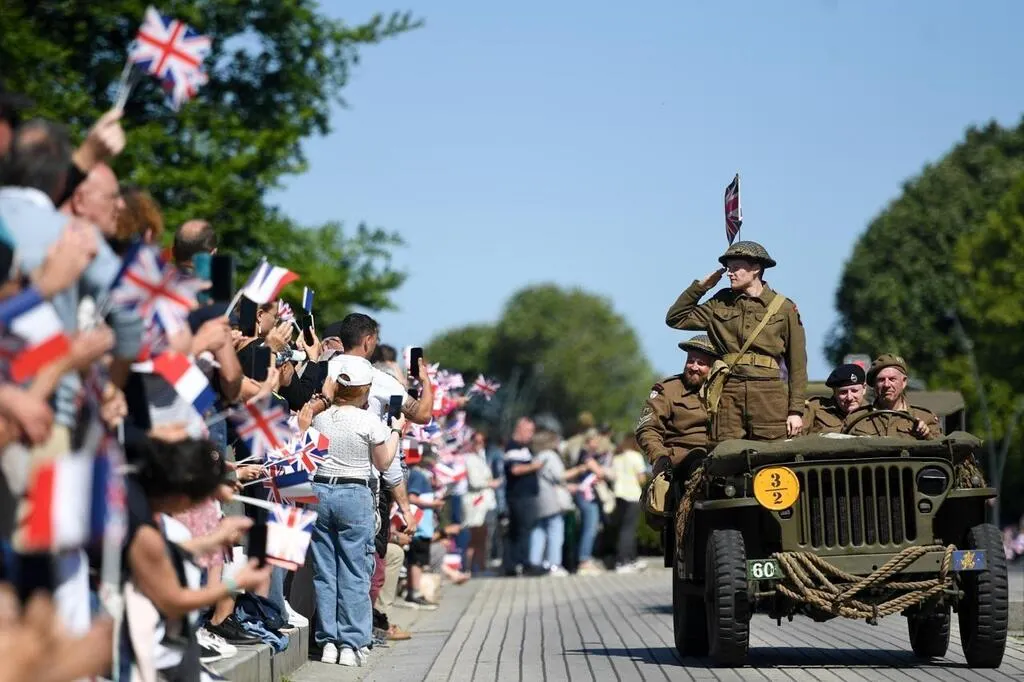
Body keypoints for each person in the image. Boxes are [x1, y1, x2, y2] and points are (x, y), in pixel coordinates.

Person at [309, 354, 405, 666]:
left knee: (326, 570)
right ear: (365, 390)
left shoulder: (321, 417)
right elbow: (383, 462)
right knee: (354, 569)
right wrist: (396, 431)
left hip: (320, 490)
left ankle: (328, 642)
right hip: (355, 492)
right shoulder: (370, 422)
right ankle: (351, 643)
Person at [664, 240, 807, 444]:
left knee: (771, 456)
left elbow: (798, 365)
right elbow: (676, 318)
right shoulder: (720, 301)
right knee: (725, 455)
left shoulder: (784, 308)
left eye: (736, 267)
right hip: (729, 390)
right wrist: (700, 288)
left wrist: (795, 410)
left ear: (756, 269)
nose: (730, 273)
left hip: (769, 393)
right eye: (728, 268)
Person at [636, 334, 718, 477]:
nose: (694, 367)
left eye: (701, 363)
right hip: (678, 466)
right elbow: (647, 429)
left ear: (713, 366)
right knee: (661, 490)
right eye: (690, 361)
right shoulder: (667, 390)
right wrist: (660, 458)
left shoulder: (726, 392)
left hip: (717, 462)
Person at [843, 354, 943, 440]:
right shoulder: (855, 419)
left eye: (892, 379)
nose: (886, 385)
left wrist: (926, 435)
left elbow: (943, 453)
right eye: (881, 380)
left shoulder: (925, 418)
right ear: (874, 385)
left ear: (903, 382)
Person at [801, 363, 868, 435]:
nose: (849, 397)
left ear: (864, 389)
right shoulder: (814, 409)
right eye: (843, 392)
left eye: (854, 391)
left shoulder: (873, 415)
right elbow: (795, 441)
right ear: (834, 392)